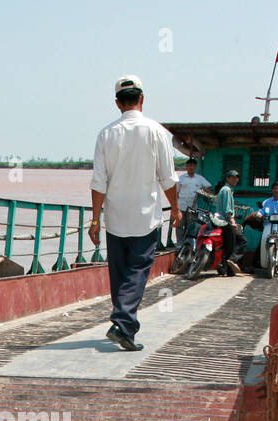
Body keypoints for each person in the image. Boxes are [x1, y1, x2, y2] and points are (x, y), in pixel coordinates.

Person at [89, 75, 180, 352]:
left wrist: (94, 220)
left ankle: (124, 326)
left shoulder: (106, 134)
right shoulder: (157, 132)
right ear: (142, 99)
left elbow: (98, 182)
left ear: (118, 103)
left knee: (119, 274)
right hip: (145, 218)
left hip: (115, 217)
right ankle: (123, 322)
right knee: (138, 271)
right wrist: (175, 208)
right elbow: (168, 177)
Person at [214, 169, 247, 275]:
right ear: (228, 178)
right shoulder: (227, 190)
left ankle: (226, 268)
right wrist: (232, 221)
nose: (235, 180)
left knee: (228, 246)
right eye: (233, 177)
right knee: (241, 240)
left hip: (220, 221)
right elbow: (228, 209)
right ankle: (232, 260)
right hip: (226, 222)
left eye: (237, 178)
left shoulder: (224, 190)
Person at [175, 157, 210, 238]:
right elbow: (176, 192)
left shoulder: (199, 178)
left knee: (190, 226)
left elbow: (209, 187)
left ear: (196, 167)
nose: (191, 167)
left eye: (193, 166)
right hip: (181, 206)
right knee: (179, 226)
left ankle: (187, 243)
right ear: (186, 167)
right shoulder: (181, 178)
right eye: (189, 165)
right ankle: (179, 244)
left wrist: (202, 191)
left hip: (193, 207)